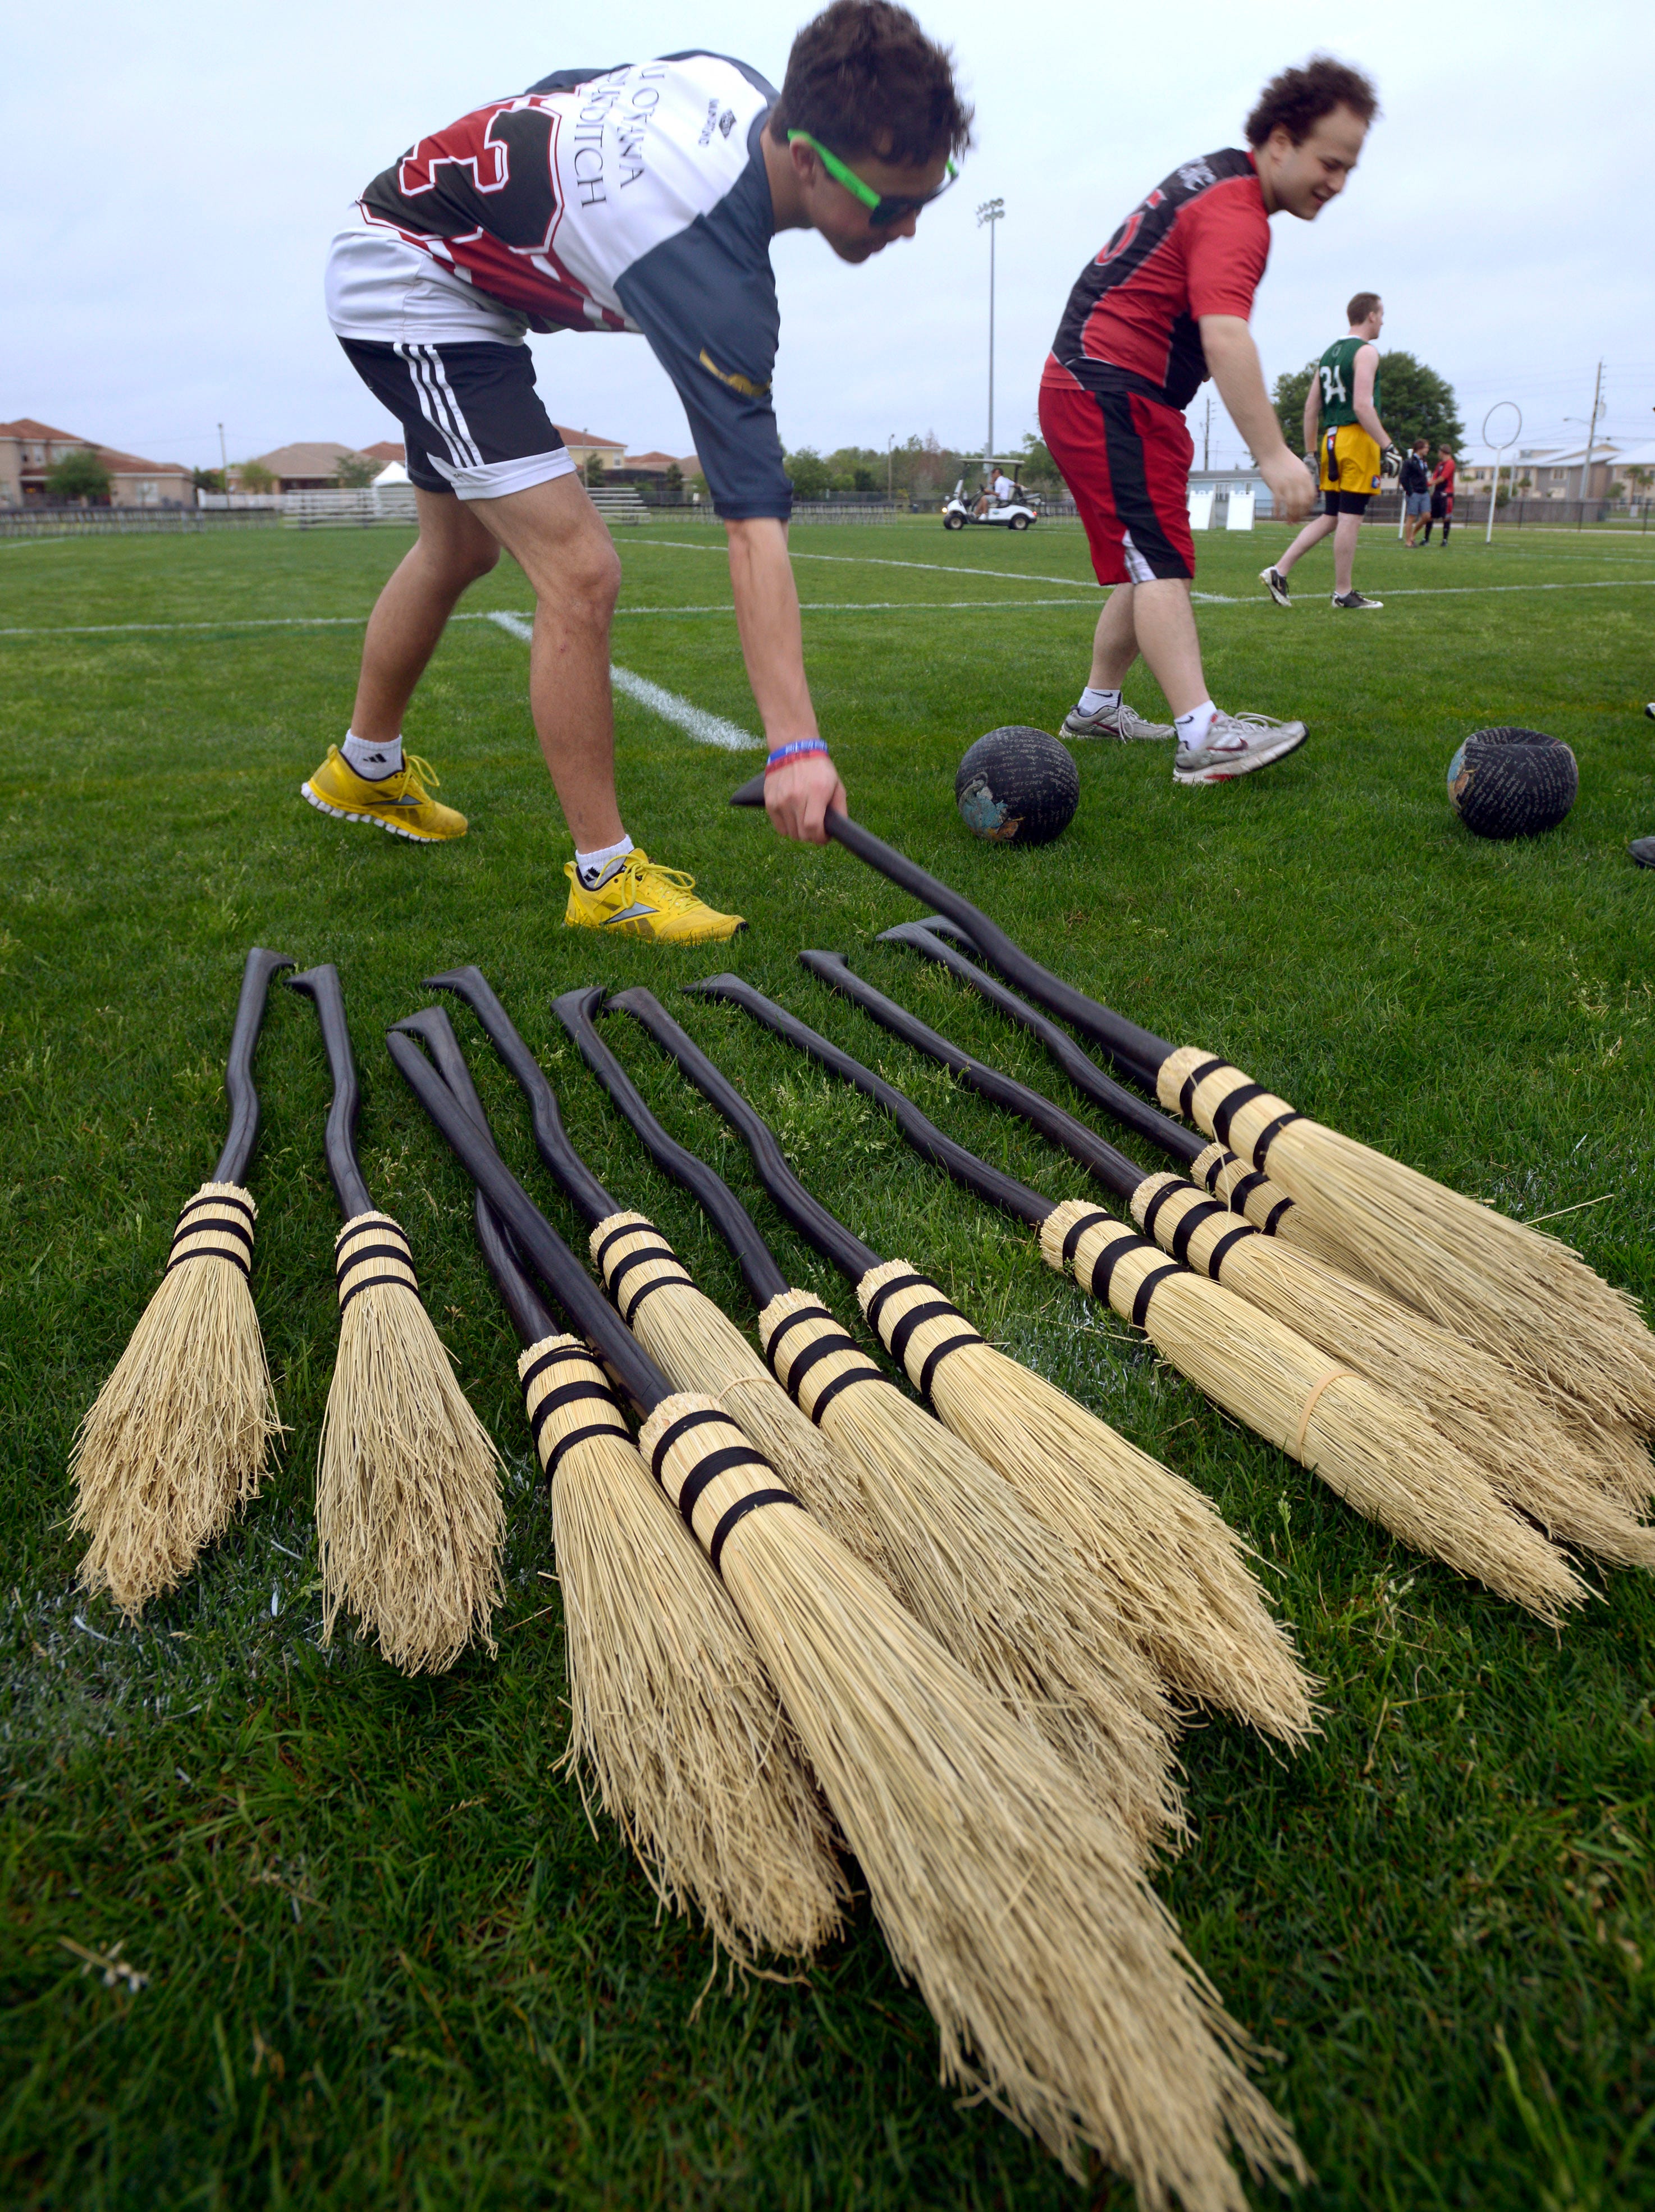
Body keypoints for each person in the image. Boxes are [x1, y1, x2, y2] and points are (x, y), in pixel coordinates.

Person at [305, 2, 970, 941]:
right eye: (894, 202)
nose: (908, 227)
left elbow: (563, 95)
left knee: (457, 553)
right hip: (412, 278)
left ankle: (361, 772)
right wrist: (796, 745)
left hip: (437, 248)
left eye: (930, 197)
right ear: (811, 161)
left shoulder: (734, 83)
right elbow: (751, 525)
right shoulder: (707, 268)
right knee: (580, 572)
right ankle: (605, 881)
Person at [1043, 57, 1376, 778]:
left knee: (1149, 558)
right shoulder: (1236, 212)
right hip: (1105, 385)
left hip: (1121, 390)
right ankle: (1201, 737)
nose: (1337, 183)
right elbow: (1225, 335)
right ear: (1280, 142)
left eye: (1349, 167)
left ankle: (1097, 707)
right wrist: (1273, 456)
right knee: (1157, 556)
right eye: (1328, 161)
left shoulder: (1218, 180)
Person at [1257, 291, 1400, 611]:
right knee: (1350, 519)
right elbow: (1363, 405)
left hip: (1330, 440)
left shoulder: (1328, 354)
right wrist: (1388, 446)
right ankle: (1343, 592)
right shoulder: (1366, 352)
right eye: (1382, 314)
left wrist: (1310, 454)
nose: (1383, 321)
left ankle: (1279, 571)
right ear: (1372, 316)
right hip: (1355, 439)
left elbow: (1311, 408)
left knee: (1332, 517)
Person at [1421, 445, 1457, 543]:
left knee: (1446, 517)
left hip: (1447, 494)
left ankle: (1445, 540)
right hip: (1437, 493)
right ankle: (1426, 538)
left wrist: (1429, 484)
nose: (1438, 454)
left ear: (1443, 452)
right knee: (1430, 516)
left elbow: (1442, 478)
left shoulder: (1450, 463)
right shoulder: (1440, 464)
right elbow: (1435, 477)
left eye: (1439, 451)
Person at [1400, 437, 1432, 546]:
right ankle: (1408, 541)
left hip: (1424, 492)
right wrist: (1410, 492)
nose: (1428, 449)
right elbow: (1403, 478)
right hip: (1414, 492)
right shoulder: (1410, 462)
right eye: (1426, 447)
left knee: (1427, 516)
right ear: (1420, 448)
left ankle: (1413, 535)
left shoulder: (1424, 462)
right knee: (1412, 517)